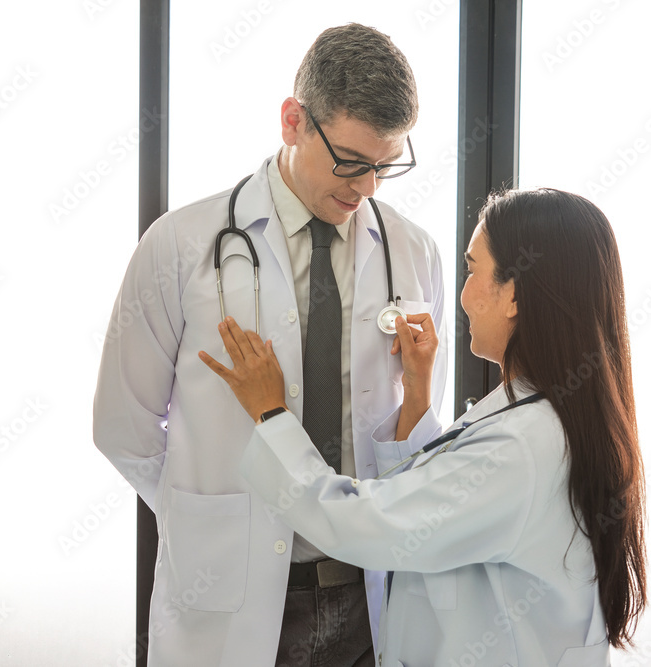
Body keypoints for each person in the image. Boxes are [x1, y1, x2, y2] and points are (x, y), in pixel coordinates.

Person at [93, 23, 446, 666]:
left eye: (384, 167)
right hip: (230, 595)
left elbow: (412, 443)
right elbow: (123, 426)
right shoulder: (180, 246)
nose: (366, 188)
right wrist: (207, 522)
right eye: (350, 162)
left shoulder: (411, 251)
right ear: (293, 121)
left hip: (367, 599)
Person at [201, 188, 648, 666]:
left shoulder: (523, 447)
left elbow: (366, 524)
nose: (462, 295)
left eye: (472, 270)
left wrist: (272, 415)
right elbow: (441, 508)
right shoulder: (542, 418)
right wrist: (416, 397)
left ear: (513, 294)